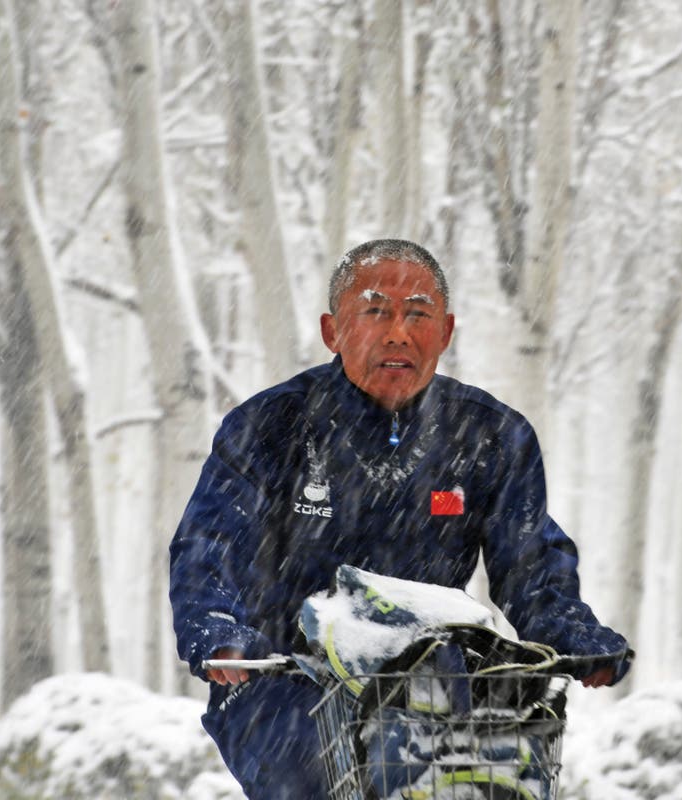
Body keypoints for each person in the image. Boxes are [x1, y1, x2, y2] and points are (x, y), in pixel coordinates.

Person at [169, 239, 631, 799]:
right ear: (331, 331)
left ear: (446, 330)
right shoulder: (269, 425)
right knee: (322, 773)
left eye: (417, 313)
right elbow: (207, 547)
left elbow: (531, 568)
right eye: (374, 312)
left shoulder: (492, 436)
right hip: (284, 685)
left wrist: (573, 633)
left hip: (430, 687)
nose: (397, 333)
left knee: (500, 777)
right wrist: (217, 631)